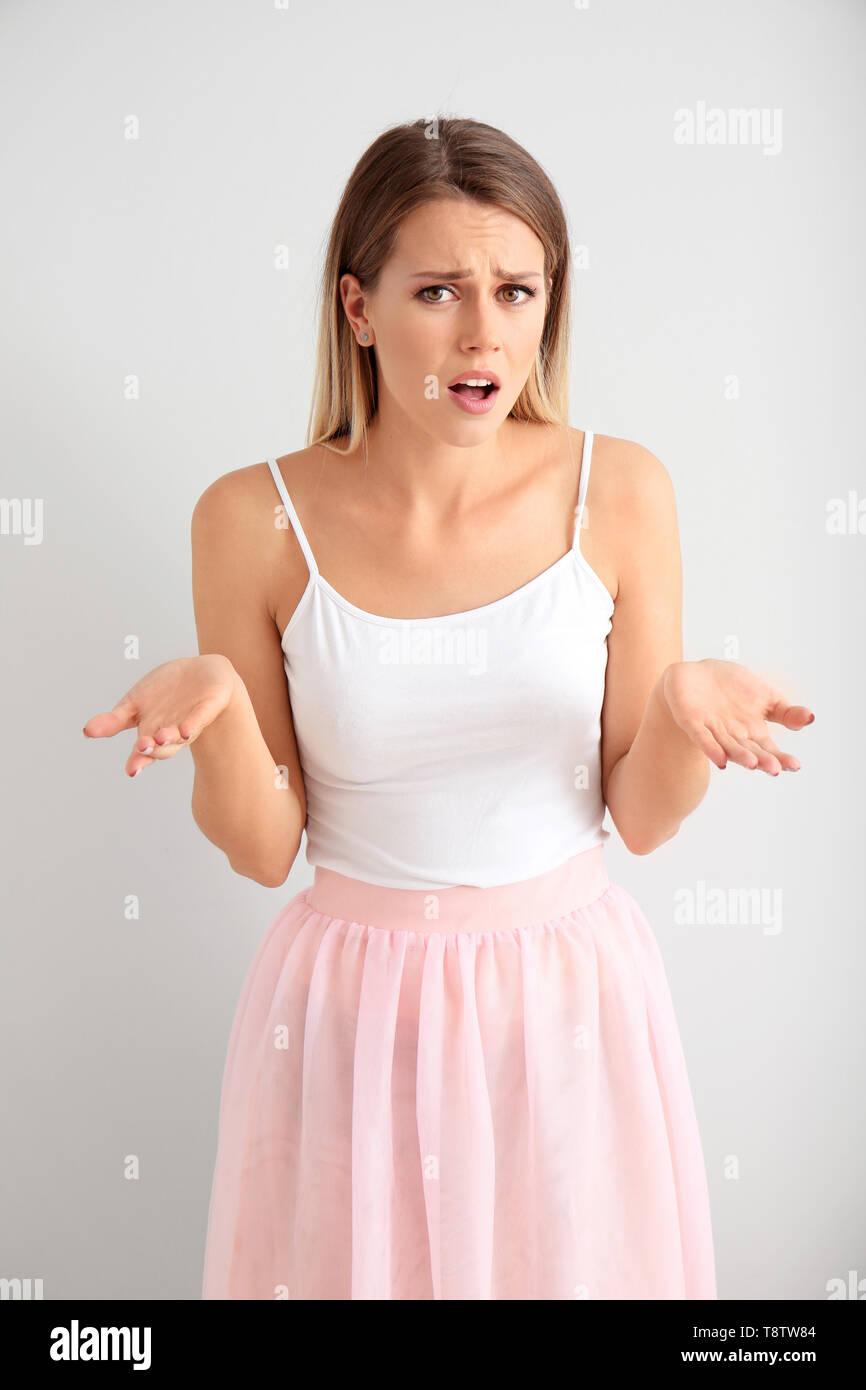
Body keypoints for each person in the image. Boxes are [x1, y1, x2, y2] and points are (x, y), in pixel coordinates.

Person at [83, 116, 814, 1300]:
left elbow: (636, 815)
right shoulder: (246, 518)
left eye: (517, 290)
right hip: (349, 1014)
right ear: (358, 307)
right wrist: (218, 712)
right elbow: (265, 847)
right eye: (437, 290)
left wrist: (680, 712)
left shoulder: (618, 490)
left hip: (566, 1002)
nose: (484, 334)